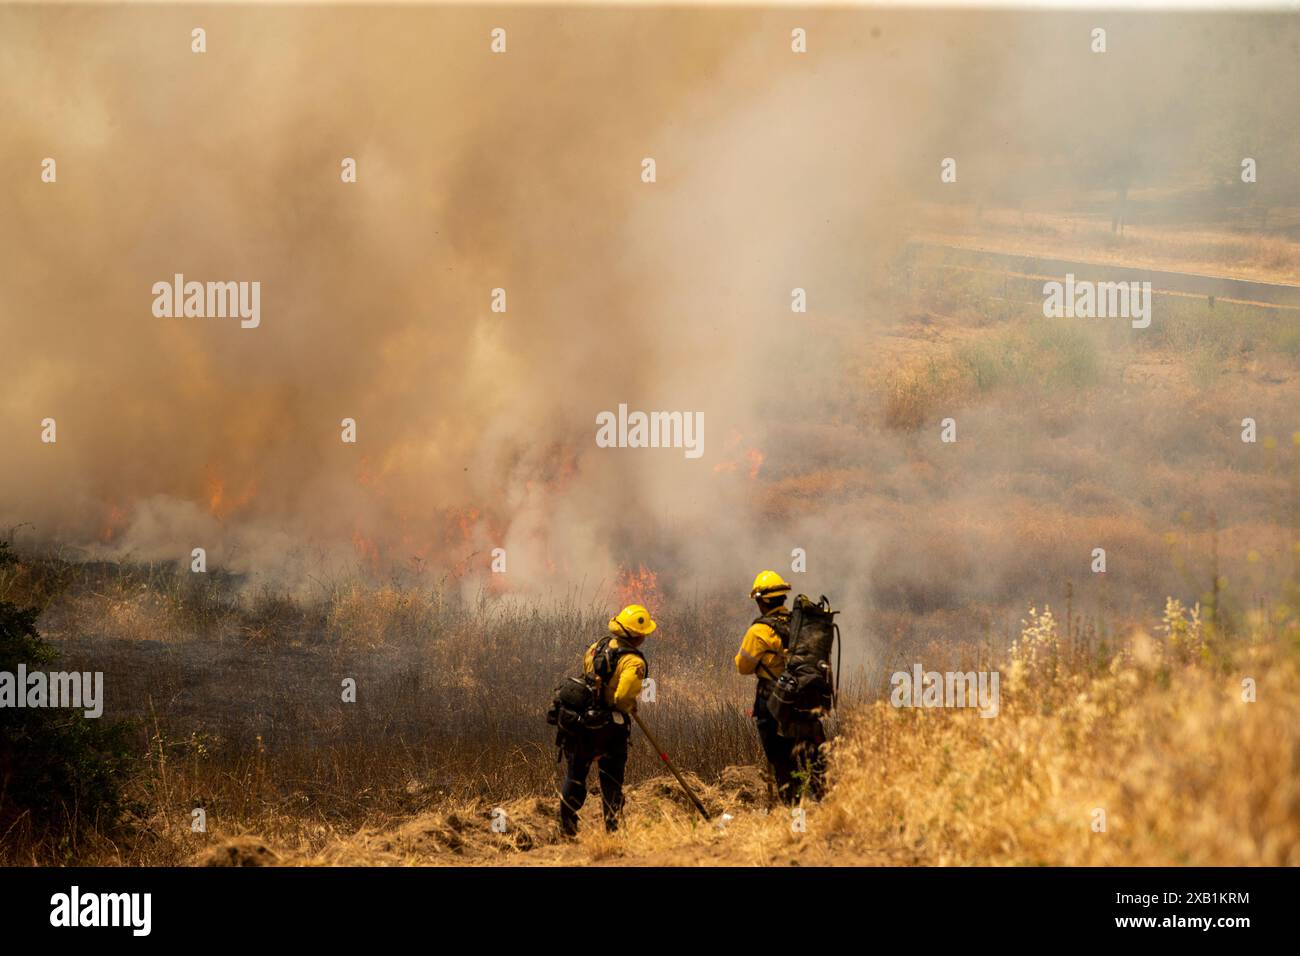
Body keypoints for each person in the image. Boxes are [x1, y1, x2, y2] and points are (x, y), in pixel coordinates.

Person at [558, 604, 654, 836]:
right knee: (611, 779)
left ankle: (567, 827)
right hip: (610, 728)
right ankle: (613, 831)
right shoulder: (634, 662)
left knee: (576, 775)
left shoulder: (597, 646)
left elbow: (587, 673)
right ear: (637, 636)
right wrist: (629, 705)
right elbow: (622, 697)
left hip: (580, 723)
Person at [734, 571, 826, 804]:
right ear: (783, 598)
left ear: (761, 601)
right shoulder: (802, 624)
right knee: (814, 761)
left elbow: (743, 666)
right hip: (806, 701)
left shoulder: (759, 632)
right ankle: (827, 807)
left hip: (773, 703)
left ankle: (793, 813)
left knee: (782, 763)